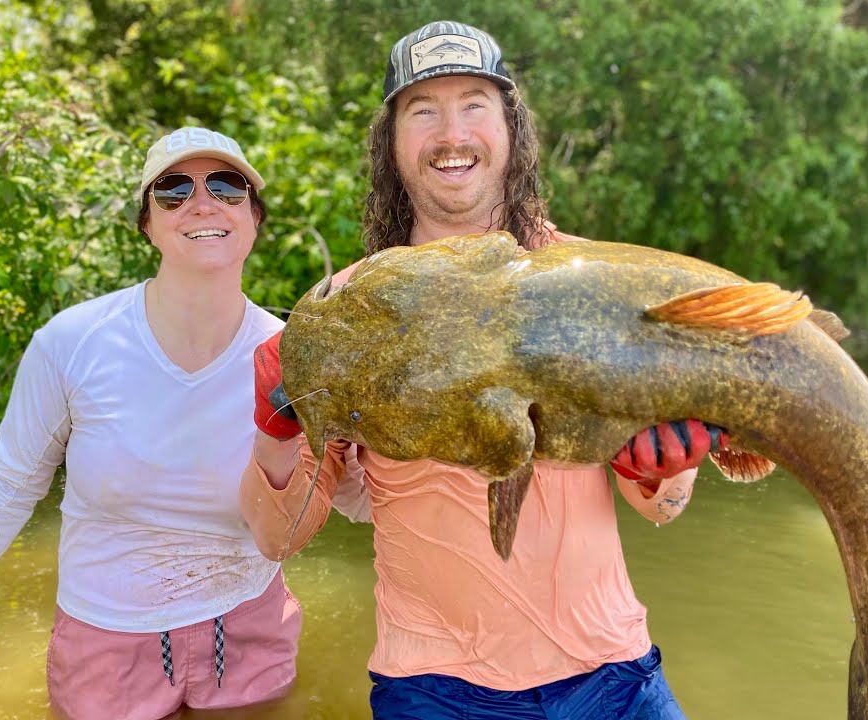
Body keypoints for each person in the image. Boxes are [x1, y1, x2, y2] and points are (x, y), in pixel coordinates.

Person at [240, 20, 725, 720]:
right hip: (435, 690)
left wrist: (660, 467)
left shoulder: (594, 283)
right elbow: (275, 538)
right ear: (391, 142)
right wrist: (276, 424)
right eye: (423, 110)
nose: (451, 132)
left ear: (510, 125)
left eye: (473, 103)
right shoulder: (348, 314)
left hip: (616, 676)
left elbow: (664, 510)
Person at [0, 126, 369, 720]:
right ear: (146, 224)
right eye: (172, 189)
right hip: (106, 648)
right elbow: (5, 488)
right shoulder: (72, 342)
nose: (202, 201)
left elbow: (354, 497)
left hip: (248, 636)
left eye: (227, 185)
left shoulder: (296, 355)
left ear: (254, 216)